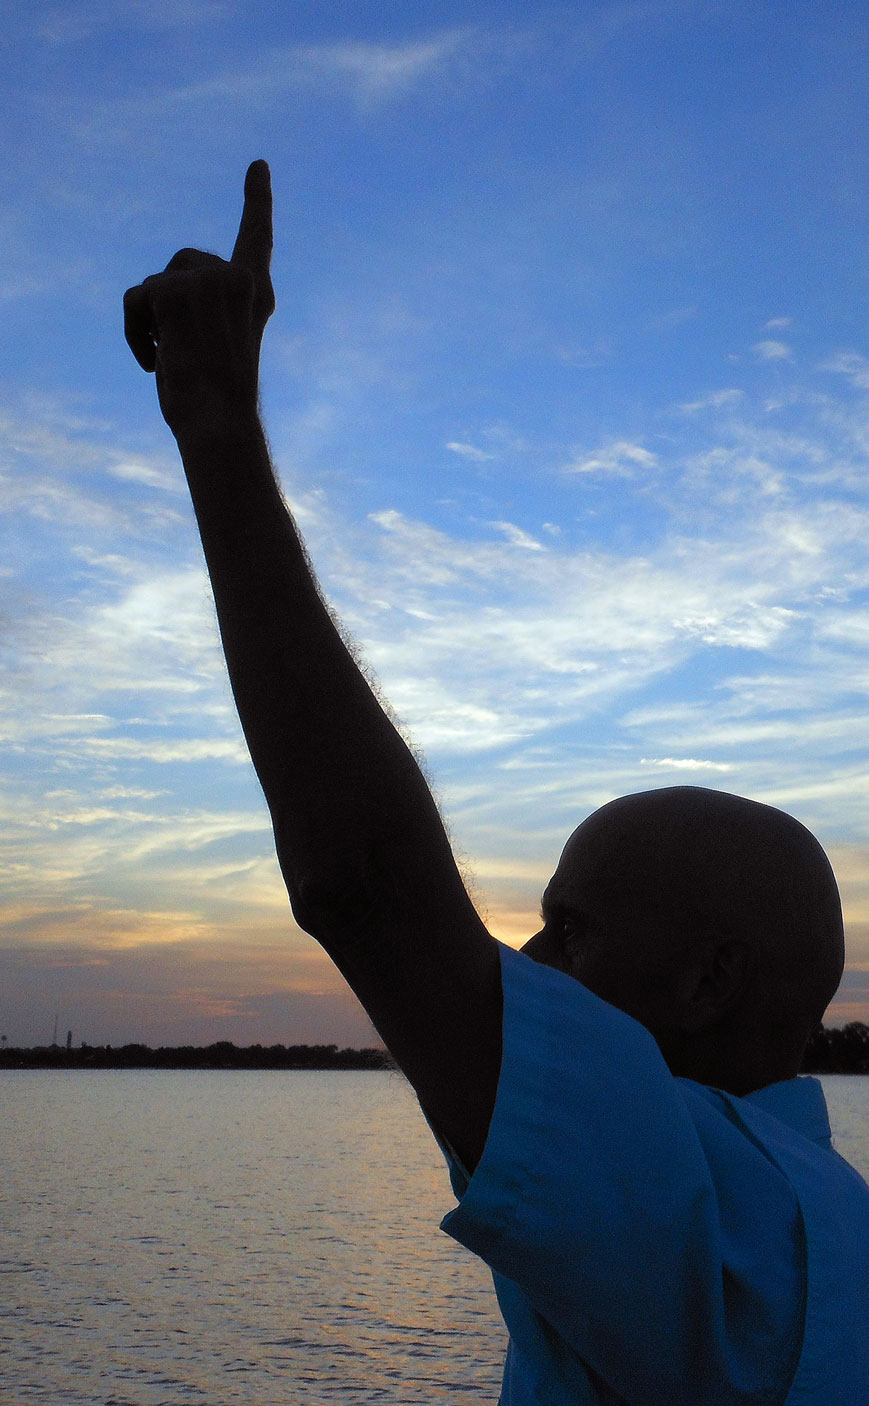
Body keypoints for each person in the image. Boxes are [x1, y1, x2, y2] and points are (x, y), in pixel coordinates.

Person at [124, 161, 869, 1404]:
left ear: (708, 981)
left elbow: (364, 882)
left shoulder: (715, 1212)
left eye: (568, 932)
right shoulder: (810, 1215)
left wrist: (216, 424)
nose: (522, 956)